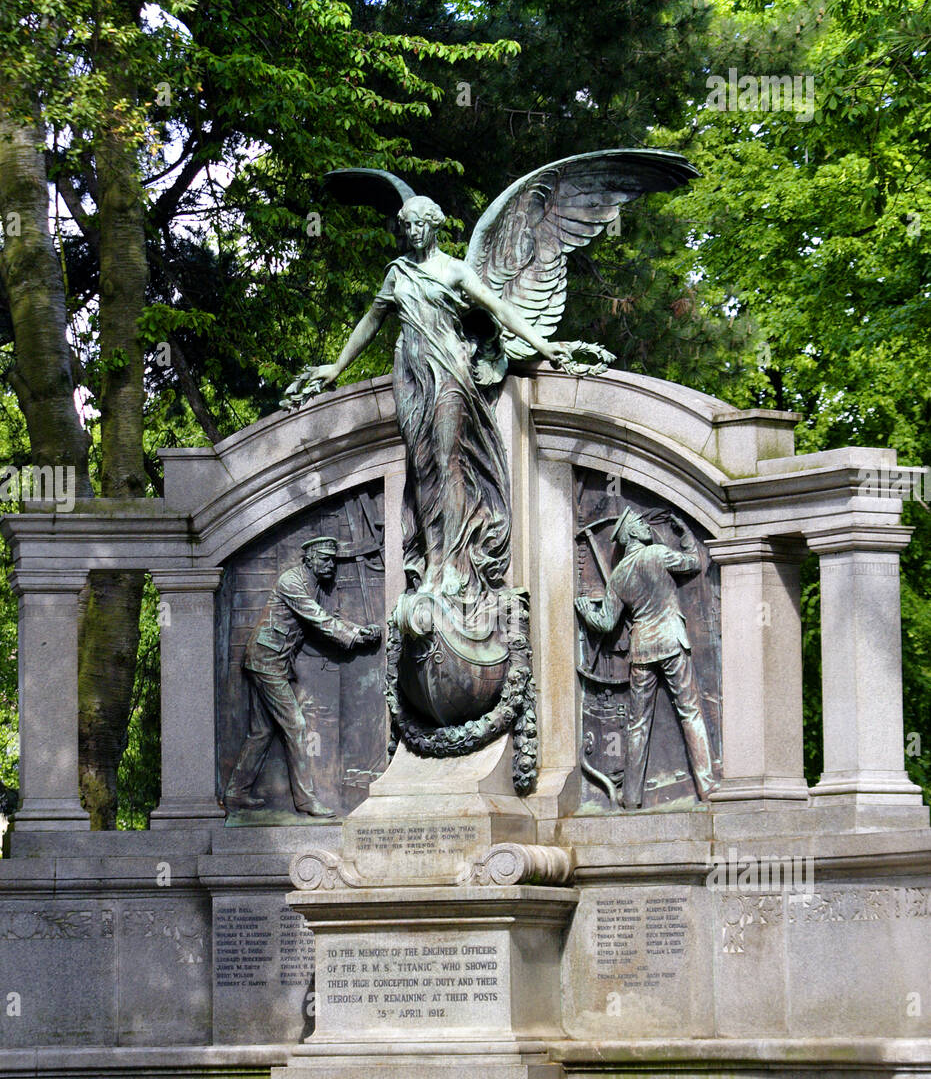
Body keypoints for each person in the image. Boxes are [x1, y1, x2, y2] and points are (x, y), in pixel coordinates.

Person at [300, 195, 573, 600]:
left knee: (448, 460)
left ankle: (453, 562)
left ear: (434, 225)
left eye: (418, 224)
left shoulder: (454, 271)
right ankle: (432, 559)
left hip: (449, 372)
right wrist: (336, 367)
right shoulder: (398, 273)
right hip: (409, 374)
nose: (412, 233)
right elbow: (371, 320)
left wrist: (543, 346)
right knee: (421, 465)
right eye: (406, 226)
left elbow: (499, 308)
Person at [224, 536, 381, 818]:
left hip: (270, 660)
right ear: (308, 559)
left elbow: (327, 616)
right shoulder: (291, 581)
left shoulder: (312, 585)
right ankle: (305, 801)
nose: (330, 564)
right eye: (324, 559)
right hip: (266, 660)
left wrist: (360, 629)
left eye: (332, 559)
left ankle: (237, 792)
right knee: (296, 726)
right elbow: (318, 619)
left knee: (262, 731)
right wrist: (355, 637)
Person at [575, 507, 716, 808]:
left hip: (641, 651)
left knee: (637, 724)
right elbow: (693, 561)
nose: (645, 525)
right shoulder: (657, 554)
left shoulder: (618, 576)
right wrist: (685, 533)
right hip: (671, 642)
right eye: (640, 523)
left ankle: (632, 797)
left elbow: (606, 624)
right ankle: (706, 787)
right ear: (632, 534)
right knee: (689, 712)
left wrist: (587, 612)